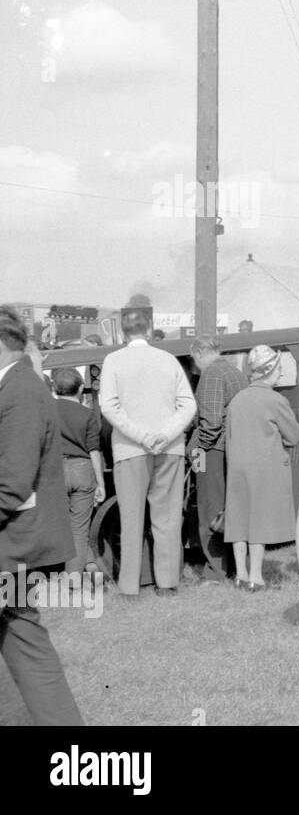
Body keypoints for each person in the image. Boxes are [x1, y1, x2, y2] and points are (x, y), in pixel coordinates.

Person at [0, 306, 84, 725]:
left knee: (29, 647)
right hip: (18, 550)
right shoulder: (22, 386)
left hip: (14, 548)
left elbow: (10, 485)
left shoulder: (18, 391)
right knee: (28, 646)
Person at [97, 307, 196, 597]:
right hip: (170, 447)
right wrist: (165, 434)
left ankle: (130, 586)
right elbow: (188, 405)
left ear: (122, 332)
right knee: (166, 518)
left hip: (130, 448)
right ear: (150, 329)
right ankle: (167, 583)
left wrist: (141, 436)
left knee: (131, 519)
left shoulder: (113, 360)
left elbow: (109, 406)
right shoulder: (168, 360)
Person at [224, 346, 299, 592]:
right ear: (269, 370)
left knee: (238, 518)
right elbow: (294, 436)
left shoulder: (237, 399)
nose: (281, 371)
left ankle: (240, 573)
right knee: (259, 519)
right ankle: (256, 577)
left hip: (237, 466)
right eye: (278, 366)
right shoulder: (276, 399)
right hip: (264, 467)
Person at [189, 335, 247, 582]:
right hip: (233, 448)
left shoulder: (211, 375)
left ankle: (216, 571)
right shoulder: (235, 372)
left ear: (200, 353)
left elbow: (211, 422)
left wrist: (196, 449)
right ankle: (233, 565)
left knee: (210, 510)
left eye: (194, 360)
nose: (195, 366)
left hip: (212, 450)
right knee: (230, 510)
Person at [50, 368, 105, 573]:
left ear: (54, 388)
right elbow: (94, 450)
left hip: (55, 470)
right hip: (82, 469)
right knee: (79, 530)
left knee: (62, 526)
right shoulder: (88, 414)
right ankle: (75, 578)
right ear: (82, 387)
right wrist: (101, 482)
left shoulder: (46, 409)